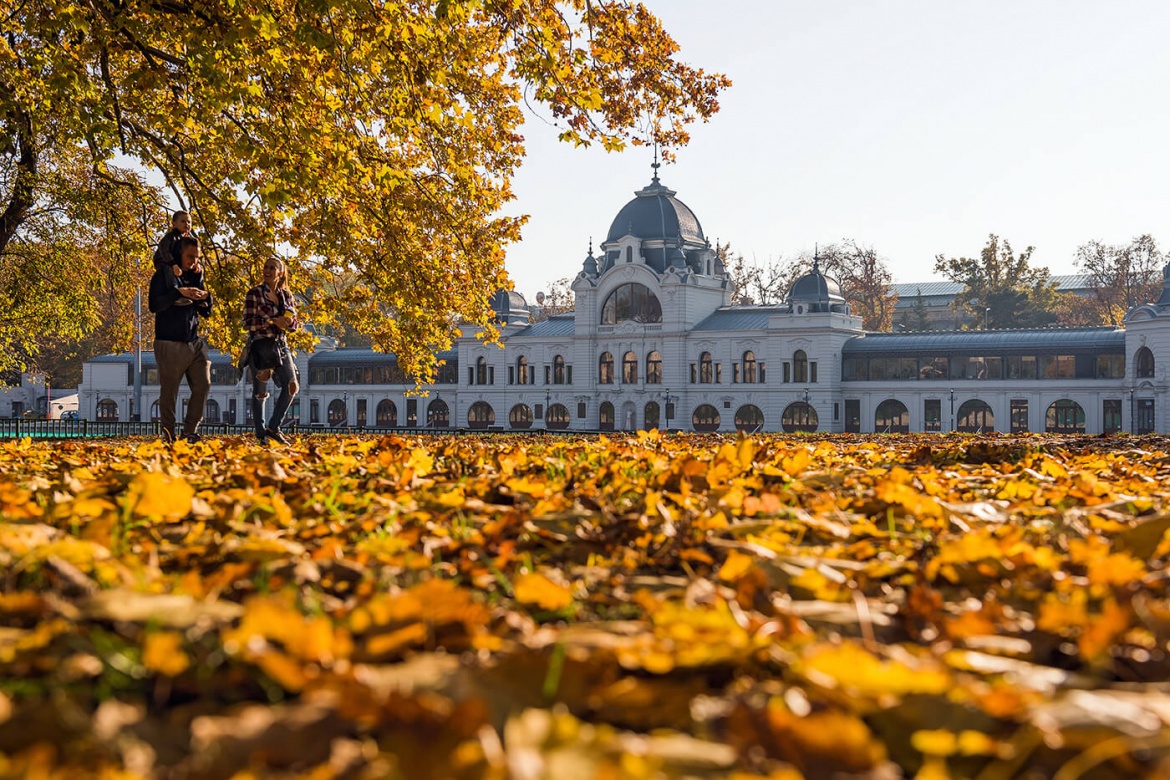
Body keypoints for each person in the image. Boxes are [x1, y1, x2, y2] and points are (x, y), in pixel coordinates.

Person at [149, 235, 212, 443]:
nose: (194, 261)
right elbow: (154, 305)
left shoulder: (196, 275)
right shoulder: (163, 275)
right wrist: (178, 293)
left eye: (197, 257)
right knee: (170, 393)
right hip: (169, 342)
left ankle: (190, 431)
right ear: (179, 253)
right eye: (190, 256)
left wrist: (206, 297)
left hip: (194, 342)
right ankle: (169, 435)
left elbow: (207, 312)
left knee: (203, 385)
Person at [244, 257, 299, 445]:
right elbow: (248, 323)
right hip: (260, 344)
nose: (267, 270)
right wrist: (272, 321)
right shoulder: (254, 294)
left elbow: (295, 325)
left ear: (280, 273)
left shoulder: (287, 296)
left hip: (281, 345)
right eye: (265, 267)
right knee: (260, 391)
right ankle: (261, 435)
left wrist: (290, 322)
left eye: (272, 268)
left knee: (292, 386)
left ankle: (274, 427)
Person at [153, 210, 191, 298]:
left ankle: (195, 295)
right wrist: (173, 264)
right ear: (174, 224)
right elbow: (164, 250)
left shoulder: (185, 240)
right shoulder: (171, 237)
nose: (187, 224)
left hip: (177, 263)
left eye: (189, 222)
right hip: (165, 262)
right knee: (169, 271)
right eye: (183, 221)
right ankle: (174, 294)